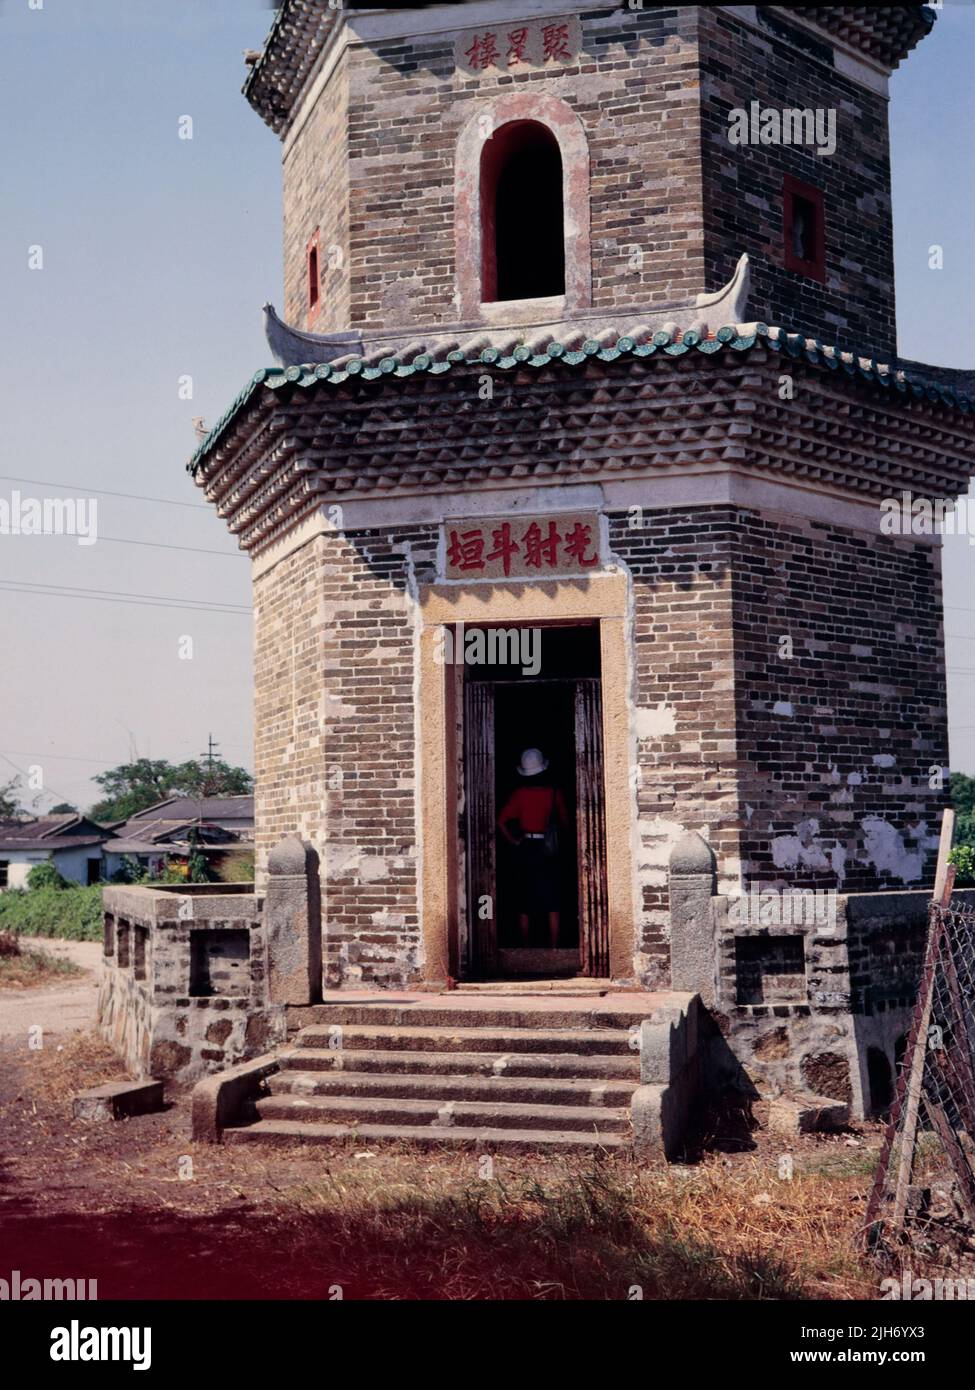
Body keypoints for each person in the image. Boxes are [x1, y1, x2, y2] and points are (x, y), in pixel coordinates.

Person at [497, 747, 568, 948]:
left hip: (526, 847)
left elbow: (500, 821)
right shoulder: (555, 793)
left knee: (524, 898)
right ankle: (554, 948)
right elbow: (565, 823)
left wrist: (514, 841)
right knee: (553, 898)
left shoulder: (519, 794)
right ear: (544, 769)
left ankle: (526, 947)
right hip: (549, 848)